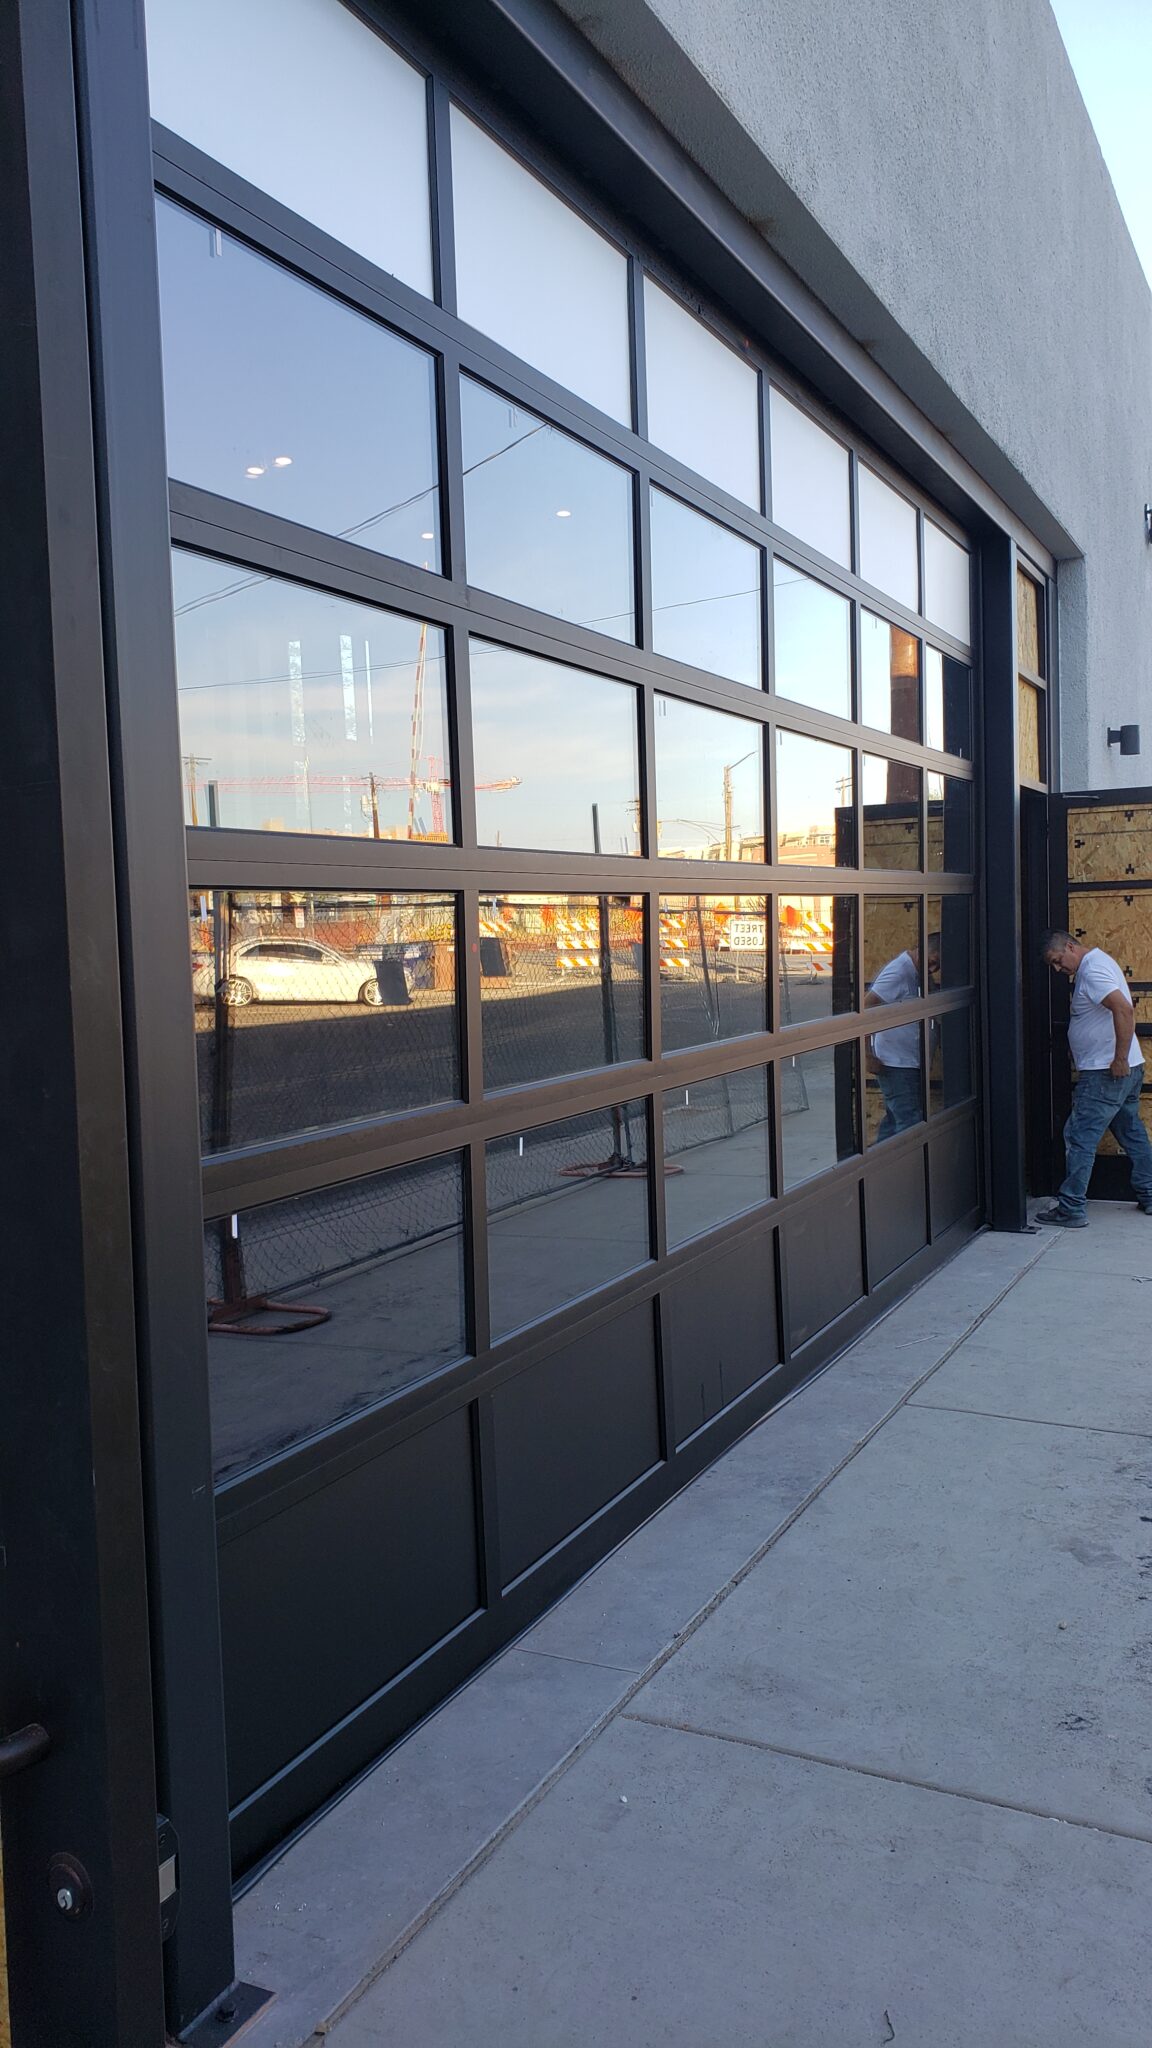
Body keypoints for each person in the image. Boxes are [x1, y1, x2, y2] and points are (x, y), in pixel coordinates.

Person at [1038, 929, 1152, 1226]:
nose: (1057, 969)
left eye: (1057, 960)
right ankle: (1150, 1194)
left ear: (1070, 947)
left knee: (1079, 1137)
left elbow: (1123, 1009)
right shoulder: (1097, 964)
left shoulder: (1092, 970)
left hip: (1107, 1072)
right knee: (1131, 1133)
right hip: (1122, 1070)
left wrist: (1119, 1059)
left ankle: (1071, 1208)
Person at [864, 934, 940, 1141]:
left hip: (907, 1062)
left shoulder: (917, 971)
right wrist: (867, 1054)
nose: (933, 969)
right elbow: (866, 1006)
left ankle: (882, 1160)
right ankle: (908, 1161)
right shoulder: (899, 972)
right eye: (932, 961)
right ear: (921, 949)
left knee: (894, 1121)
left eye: (937, 966)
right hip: (896, 1063)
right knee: (909, 1124)